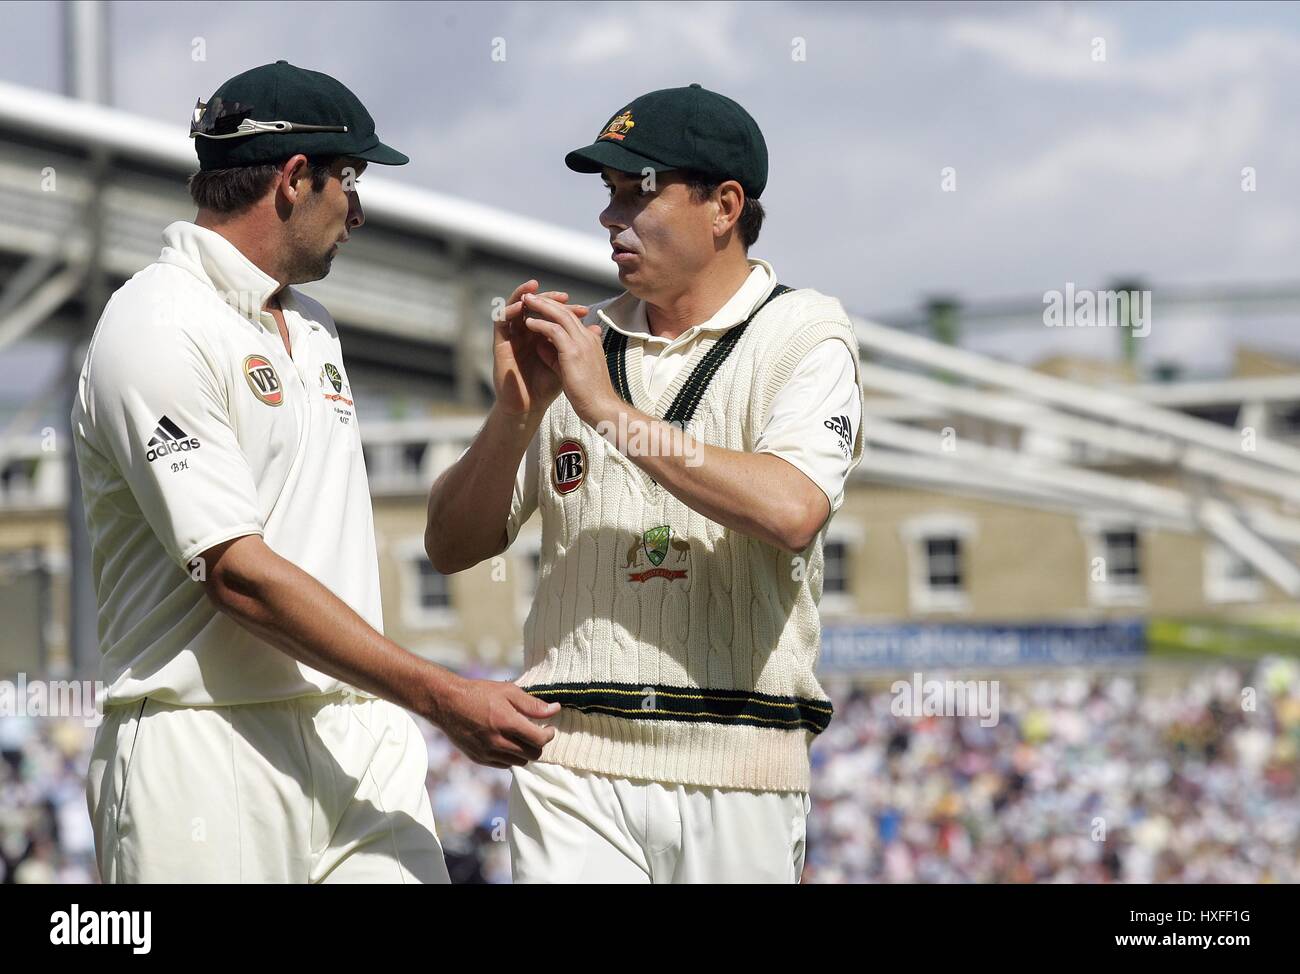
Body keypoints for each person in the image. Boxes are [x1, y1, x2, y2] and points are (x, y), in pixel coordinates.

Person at [72, 60, 557, 884]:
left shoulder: (316, 327)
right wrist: (441, 694)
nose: (358, 211)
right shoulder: (154, 320)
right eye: (350, 180)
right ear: (295, 178)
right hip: (204, 742)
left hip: (358, 732)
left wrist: (515, 407)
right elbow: (238, 575)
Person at [425, 84, 865, 882]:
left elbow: (792, 509)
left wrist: (605, 409)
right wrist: (515, 415)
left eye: (641, 190)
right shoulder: (578, 344)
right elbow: (451, 545)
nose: (611, 217)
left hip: (742, 765)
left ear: (724, 206)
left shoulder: (805, 332)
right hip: (572, 761)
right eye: (610, 193)